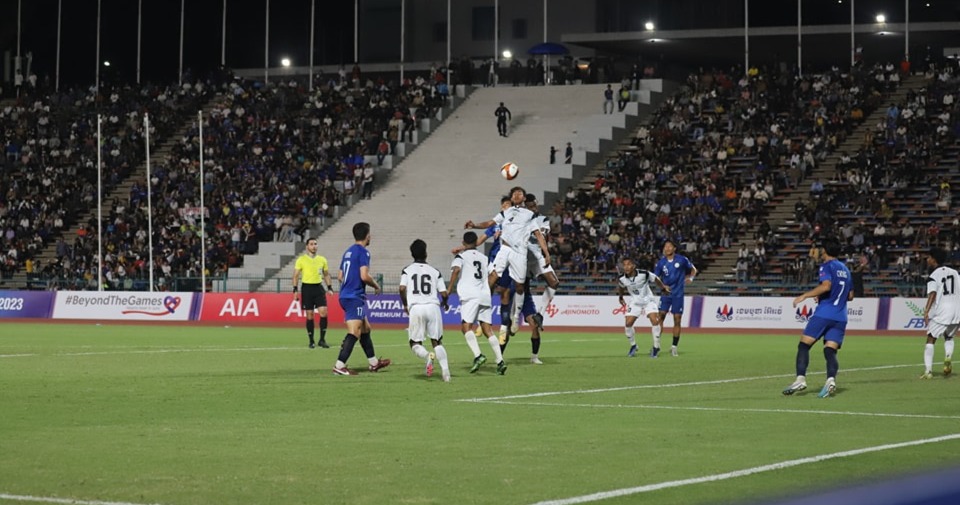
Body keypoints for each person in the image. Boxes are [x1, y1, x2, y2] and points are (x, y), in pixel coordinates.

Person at [466, 186, 550, 336]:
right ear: (512, 198)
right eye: (514, 193)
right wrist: (475, 225)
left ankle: (516, 317)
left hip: (520, 253)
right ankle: (482, 314)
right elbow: (490, 223)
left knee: (519, 287)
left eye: (520, 193)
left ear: (524, 198)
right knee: (492, 278)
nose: (517, 195)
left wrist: (546, 253)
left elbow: (538, 235)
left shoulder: (529, 215)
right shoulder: (506, 212)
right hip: (505, 249)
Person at [783, 239, 853, 398]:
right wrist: (824, 296)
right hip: (841, 317)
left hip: (824, 314)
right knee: (830, 350)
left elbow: (826, 286)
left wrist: (805, 295)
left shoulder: (826, 266)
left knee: (804, 346)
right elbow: (850, 296)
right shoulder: (846, 270)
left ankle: (800, 379)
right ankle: (830, 381)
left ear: (825, 251)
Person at [332, 222, 391, 375]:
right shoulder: (363, 252)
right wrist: (376, 285)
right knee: (355, 332)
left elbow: (340, 276)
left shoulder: (348, 252)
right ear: (367, 236)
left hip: (346, 295)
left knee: (365, 329)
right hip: (353, 297)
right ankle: (339, 366)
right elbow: (364, 276)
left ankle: (374, 363)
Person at [448, 232, 508, 375]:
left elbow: (456, 270)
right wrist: (485, 288)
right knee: (488, 330)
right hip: (484, 296)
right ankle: (500, 361)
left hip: (470, 296)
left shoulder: (461, 257)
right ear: (476, 242)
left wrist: (449, 288)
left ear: (463, 242)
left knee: (466, 327)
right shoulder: (484, 258)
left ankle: (478, 355)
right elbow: (494, 274)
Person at [399, 239, 452, 382]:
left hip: (416, 308)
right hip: (433, 307)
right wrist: (445, 303)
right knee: (437, 342)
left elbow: (402, 288)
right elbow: (444, 293)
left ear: (412, 254)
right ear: (426, 253)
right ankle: (446, 373)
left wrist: (405, 304)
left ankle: (427, 356)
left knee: (415, 343)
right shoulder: (435, 271)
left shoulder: (407, 270)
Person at [921, 248, 960, 379]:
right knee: (949, 337)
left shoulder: (934, 275)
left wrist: (926, 311)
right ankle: (948, 357)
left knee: (930, 338)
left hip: (944, 309)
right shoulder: (955, 272)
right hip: (957, 310)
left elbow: (932, 294)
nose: (927, 260)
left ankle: (928, 372)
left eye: (929, 257)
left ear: (934, 259)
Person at [618, 257, 668, 358]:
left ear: (633, 266)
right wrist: (621, 297)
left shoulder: (644, 274)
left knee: (655, 321)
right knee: (628, 324)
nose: (626, 267)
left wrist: (663, 288)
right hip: (635, 302)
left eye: (628, 264)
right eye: (624, 265)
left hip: (648, 300)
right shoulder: (622, 278)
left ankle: (656, 347)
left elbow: (656, 279)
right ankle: (633, 346)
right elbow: (621, 287)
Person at [655, 239, 697, 357]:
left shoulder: (682, 260)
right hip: (666, 294)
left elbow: (693, 269)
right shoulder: (661, 263)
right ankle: (656, 345)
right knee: (660, 317)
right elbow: (655, 278)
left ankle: (674, 347)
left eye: (669, 246)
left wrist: (691, 278)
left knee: (677, 319)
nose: (667, 248)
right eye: (665, 246)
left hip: (678, 294)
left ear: (674, 248)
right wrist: (662, 286)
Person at [524, 194, 560, 327]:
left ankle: (540, 314)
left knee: (554, 282)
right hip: (522, 257)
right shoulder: (520, 219)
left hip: (537, 255)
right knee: (520, 288)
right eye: (530, 207)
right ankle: (514, 317)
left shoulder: (543, 219)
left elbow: (540, 236)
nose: (534, 208)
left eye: (535, 205)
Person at [292, 237, 333, 349]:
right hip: (307, 288)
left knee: (323, 312)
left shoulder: (322, 259)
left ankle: (322, 340)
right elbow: (295, 276)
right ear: (307, 246)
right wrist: (295, 290)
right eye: (311, 244)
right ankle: (311, 340)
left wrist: (329, 287)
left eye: (315, 244)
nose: (314, 246)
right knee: (309, 315)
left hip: (318, 288)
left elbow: (326, 274)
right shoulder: (301, 260)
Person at [499, 277, 544, 365]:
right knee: (506, 328)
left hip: (526, 297)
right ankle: (499, 356)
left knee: (534, 324)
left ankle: (534, 357)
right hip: (511, 296)